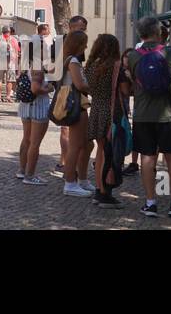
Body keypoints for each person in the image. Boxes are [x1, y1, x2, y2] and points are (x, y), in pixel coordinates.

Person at [124, 16, 171, 218]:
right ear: (157, 31)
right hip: (167, 114)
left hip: (142, 114)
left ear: (140, 33)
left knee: (147, 158)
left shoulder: (134, 55)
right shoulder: (169, 52)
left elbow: (133, 81)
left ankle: (151, 203)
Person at [85, 33, 123, 207]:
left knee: (100, 151)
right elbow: (124, 90)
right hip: (110, 109)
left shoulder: (91, 65)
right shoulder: (115, 66)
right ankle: (104, 192)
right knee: (109, 152)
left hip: (96, 109)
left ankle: (99, 189)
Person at [59, 30, 94, 197]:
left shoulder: (69, 59)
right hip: (76, 104)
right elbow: (79, 84)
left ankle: (81, 179)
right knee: (75, 146)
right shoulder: (73, 61)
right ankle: (70, 182)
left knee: (86, 144)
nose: (86, 46)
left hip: (78, 103)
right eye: (84, 43)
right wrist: (93, 87)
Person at [16, 33, 54, 185]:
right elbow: (35, 88)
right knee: (35, 143)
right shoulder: (37, 64)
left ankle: (22, 170)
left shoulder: (26, 62)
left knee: (26, 139)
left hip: (25, 106)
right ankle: (30, 175)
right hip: (38, 106)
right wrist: (49, 88)